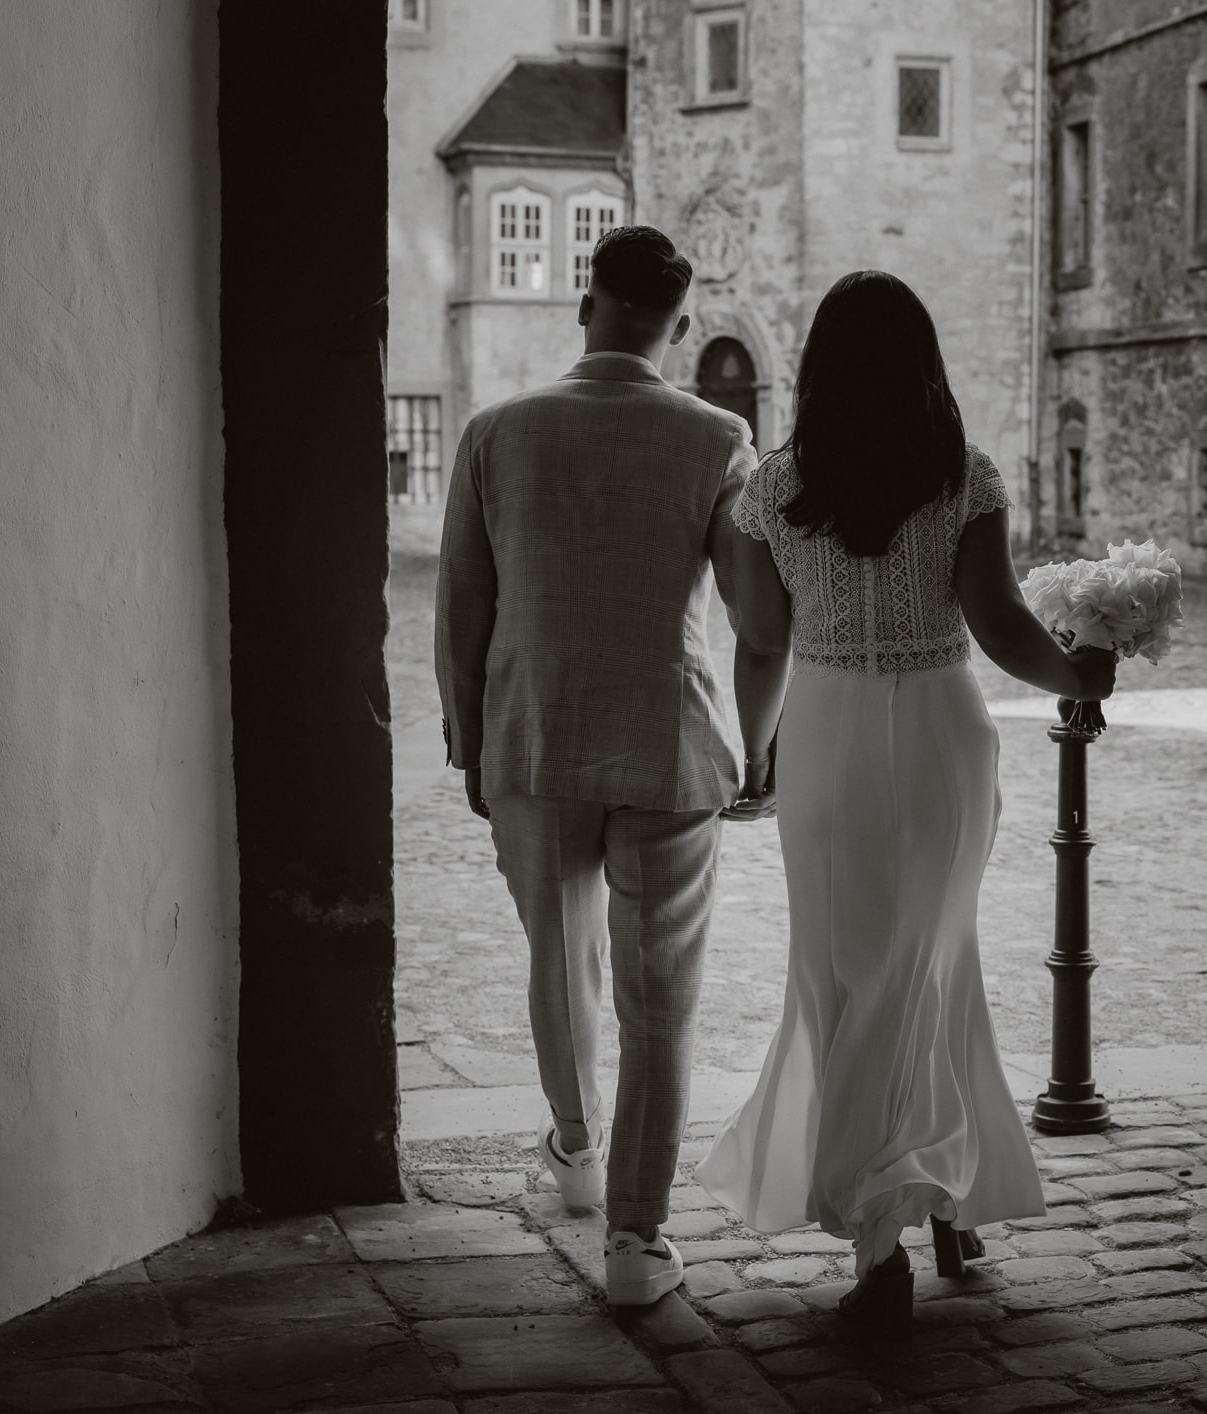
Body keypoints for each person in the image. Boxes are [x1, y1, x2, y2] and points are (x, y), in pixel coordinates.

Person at [695, 270, 1118, 1330]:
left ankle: (898, 1226)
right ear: (921, 361)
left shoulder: (775, 489)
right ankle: (925, 1208)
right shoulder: (960, 478)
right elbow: (1001, 627)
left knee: (849, 978)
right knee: (926, 967)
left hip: (828, 738)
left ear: (821, 370)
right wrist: (1080, 674)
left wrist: (755, 757)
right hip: (939, 736)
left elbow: (758, 640)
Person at [435, 225, 775, 1308]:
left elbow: (462, 610)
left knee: (557, 955)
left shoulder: (497, 431)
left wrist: (465, 738)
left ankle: (576, 1151)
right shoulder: (718, 436)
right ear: (678, 325)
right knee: (658, 994)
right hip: (666, 740)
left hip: (531, 734)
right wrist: (758, 744)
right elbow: (754, 616)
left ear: (587, 301)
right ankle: (636, 1240)